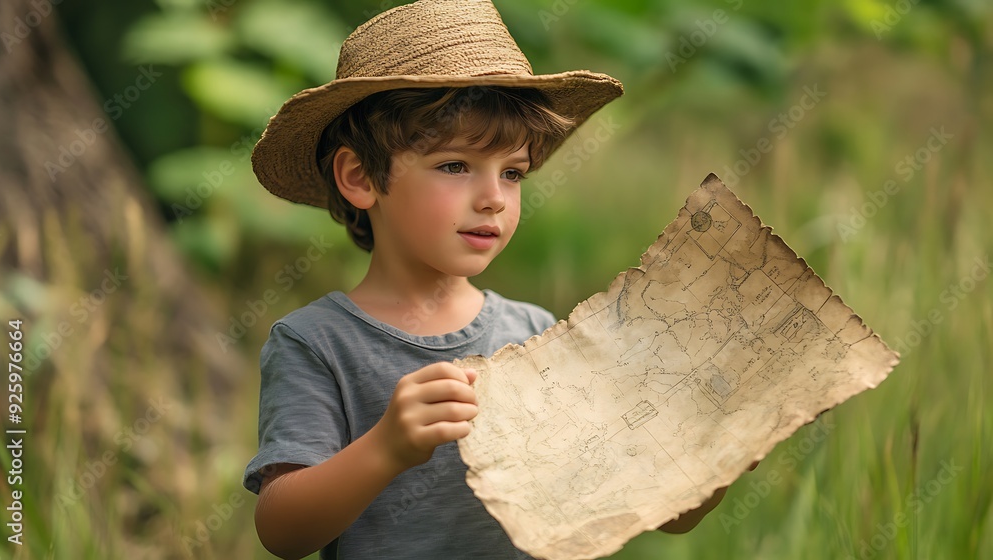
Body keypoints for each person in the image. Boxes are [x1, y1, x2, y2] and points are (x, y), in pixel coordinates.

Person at [243, 1, 737, 558]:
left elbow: (632, 499)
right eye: (455, 166)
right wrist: (385, 447)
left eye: (512, 173)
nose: (493, 198)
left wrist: (716, 454)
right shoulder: (316, 342)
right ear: (360, 177)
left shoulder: (533, 335)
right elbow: (282, 532)